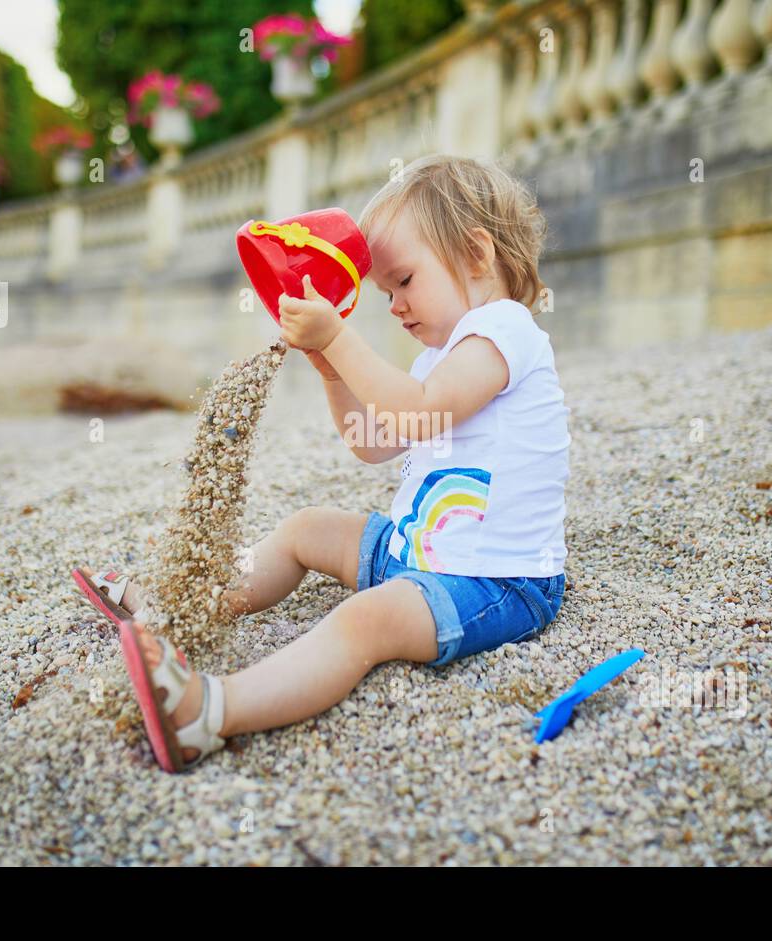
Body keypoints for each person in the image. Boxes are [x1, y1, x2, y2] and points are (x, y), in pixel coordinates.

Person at [76, 154, 570, 772]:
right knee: (307, 528)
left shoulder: (506, 332)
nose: (393, 306)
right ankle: (180, 605)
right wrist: (334, 372)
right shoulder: (437, 359)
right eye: (385, 291)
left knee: (364, 620)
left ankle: (211, 711)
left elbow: (420, 413)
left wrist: (339, 337)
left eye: (405, 282)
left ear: (477, 254)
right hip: (419, 553)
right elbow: (372, 442)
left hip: (498, 582)